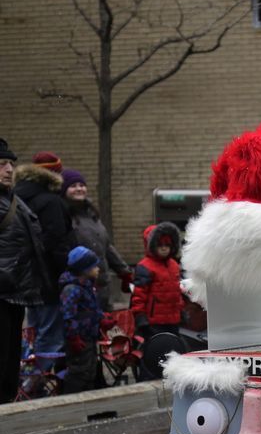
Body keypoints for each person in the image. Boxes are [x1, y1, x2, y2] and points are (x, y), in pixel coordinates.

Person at [14, 151, 74, 368]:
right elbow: (57, 242)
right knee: (50, 337)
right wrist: (67, 273)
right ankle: (42, 384)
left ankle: (29, 377)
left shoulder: (15, 197)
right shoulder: (51, 202)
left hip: (24, 279)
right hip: (50, 280)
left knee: (33, 332)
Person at [0, 139, 47, 403]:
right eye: (2, 164)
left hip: (16, 291)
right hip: (3, 291)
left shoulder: (12, 200)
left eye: (10, 164)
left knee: (9, 364)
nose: (9, 170)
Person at [61, 169, 131, 310]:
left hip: (101, 284)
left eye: (81, 185)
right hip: (79, 287)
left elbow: (106, 247)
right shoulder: (63, 216)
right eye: (73, 186)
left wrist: (124, 271)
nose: (79, 189)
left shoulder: (92, 215)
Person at [59, 246, 109, 394]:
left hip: (89, 336)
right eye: (94, 266)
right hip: (79, 339)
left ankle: (88, 401)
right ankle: (72, 401)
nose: (98, 269)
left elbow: (92, 310)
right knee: (79, 372)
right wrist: (73, 336)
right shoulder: (71, 289)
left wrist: (102, 319)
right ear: (84, 269)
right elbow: (68, 315)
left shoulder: (88, 287)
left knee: (90, 371)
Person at [131, 221, 182, 341]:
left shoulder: (174, 265)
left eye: (167, 244)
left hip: (173, 320)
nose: (164, 248)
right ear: (152, 245)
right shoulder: (145, 267)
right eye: (160, 245)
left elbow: (176, 291)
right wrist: (140, 318)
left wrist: (180, 309)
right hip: (154, 322)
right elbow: (139, 296)